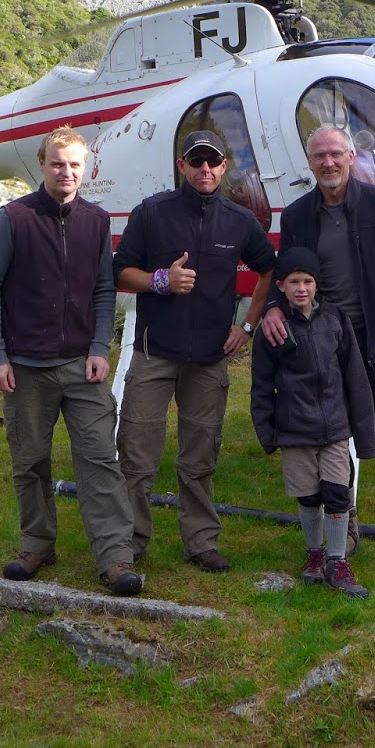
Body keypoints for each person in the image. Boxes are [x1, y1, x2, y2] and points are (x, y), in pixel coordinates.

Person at [260, 123, 375, 579]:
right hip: (327, 348)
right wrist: (274, 309)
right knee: (333, 440)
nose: (328, 163)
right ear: (310, 162)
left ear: (351, 156)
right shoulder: (298, 216)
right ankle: (347, 525)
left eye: (336, 154)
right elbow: (287, 272)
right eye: (319, 156)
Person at [0, 125, 141, 597]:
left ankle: (114, 557)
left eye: (74, 165)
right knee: (30, 461)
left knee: (99, 459)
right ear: (42, 165)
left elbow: (105, 290)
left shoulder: (96, 221)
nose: (66, 172)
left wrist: (97, 348)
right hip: (24, 366)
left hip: (81, 365)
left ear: (85, 168)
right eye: (57, 164)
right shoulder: (13, 218)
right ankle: (37, 544)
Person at [113, 129, 277, 572]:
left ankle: (200, 541)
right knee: (137, 452)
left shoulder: (239, 221)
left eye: (213, 162)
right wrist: (161, 281)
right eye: (196, 161)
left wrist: (247, 325)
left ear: (224, 167)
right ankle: (128, 542)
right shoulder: (152, 213)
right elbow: (120, 272)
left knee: (200, 454)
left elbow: (269, 271)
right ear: (182, 166)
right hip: (154, 352)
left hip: (209, 357)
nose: (205, 169)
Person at [250, 246, 375, 598]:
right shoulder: (272, 331)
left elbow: (355, 379)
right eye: (294, 282)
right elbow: (261, 385)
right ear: (281, 286)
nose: (301, 288)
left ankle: (337, 560)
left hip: (335, 428)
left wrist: (363, 433)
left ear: (317, 285)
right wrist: (267, 431)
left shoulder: (336, 321)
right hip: (295, 430)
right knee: (308, 497)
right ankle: (314, 553)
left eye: (308, 281)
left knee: (337, 493)